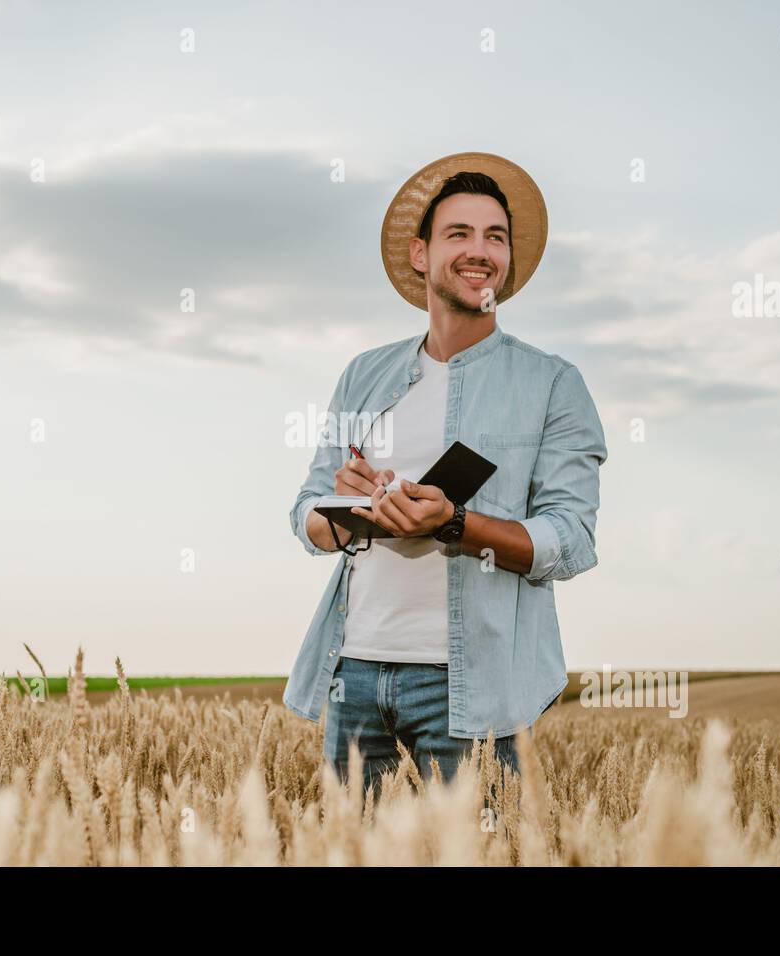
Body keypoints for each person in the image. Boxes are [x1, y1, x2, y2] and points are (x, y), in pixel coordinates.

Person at [283, 152, 607, 799]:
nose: (479, 250)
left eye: (496, 236)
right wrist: (346, 511)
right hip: (354, 672)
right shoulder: (364, 373)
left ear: (508, 260)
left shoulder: (552, 384)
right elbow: (306, 518)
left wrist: (454, 524)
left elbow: (571, 539)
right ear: (420, 253)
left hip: (473, 688)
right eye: (459, 233)